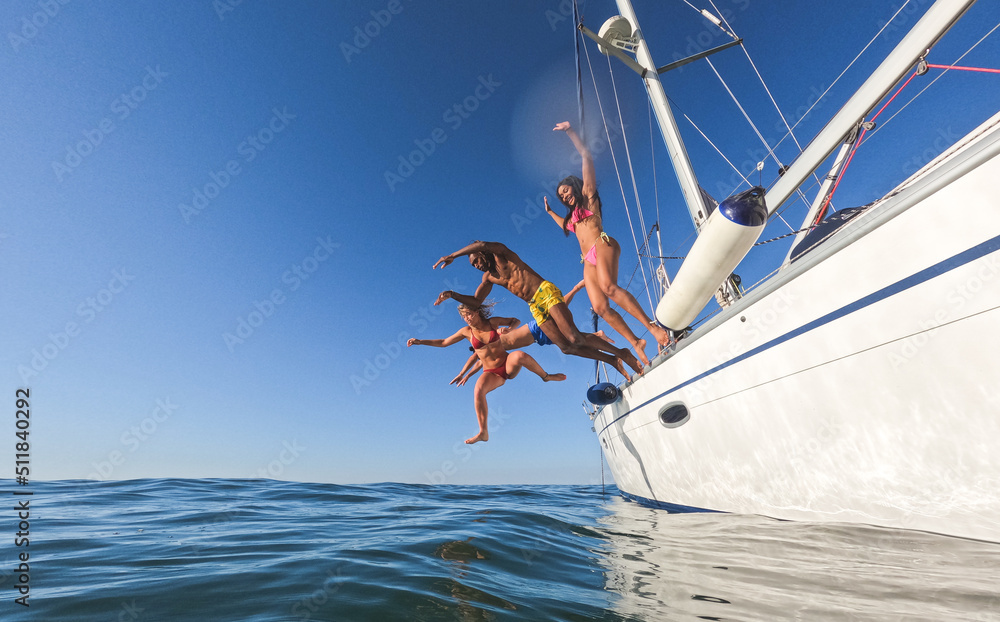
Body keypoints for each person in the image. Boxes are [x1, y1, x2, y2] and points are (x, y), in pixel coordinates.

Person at [547, 120, 672, 366]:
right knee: (600, 308)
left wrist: (571, 131)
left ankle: (652, 326)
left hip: (603, 244)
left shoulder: (589, 197)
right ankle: (637, 342)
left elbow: (586, 156)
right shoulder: (571, 219)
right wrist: (550, 211)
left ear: (574, 187)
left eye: (566, 190)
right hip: (587, 260)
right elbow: (563, 223)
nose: (565, 195)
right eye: (561, 196)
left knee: (609, 287)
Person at [433, 240, 642, 380]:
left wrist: (454, 255)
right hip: (534, 306)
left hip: (544, 292)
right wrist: (452, 294)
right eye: (473, 265)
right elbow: (477, 301)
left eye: (476, 260)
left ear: (481, 253)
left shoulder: (501, 255)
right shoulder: (488, 277)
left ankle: (621, 353)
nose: (477, 265)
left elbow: (481, 243)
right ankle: (613, 359)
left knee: (574, 337)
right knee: (566, 347)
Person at [407, 302, 565, 444]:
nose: (467, 318)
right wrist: (420, 341)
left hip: (507, 364)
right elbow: (443, 342)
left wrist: (509, 329)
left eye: (469, 314)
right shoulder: (466, 332)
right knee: (478, 391)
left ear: (476, 312)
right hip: (492, 373)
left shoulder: (492, 322)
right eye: (463, 316)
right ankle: (483, 432)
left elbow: (514, 320)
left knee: (520, 355)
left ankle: (546, 376)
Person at [451, 280, 614, 386]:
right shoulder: (487, 353)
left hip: (534, 328)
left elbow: (475, 359)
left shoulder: (491, 334)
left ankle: (577, 287)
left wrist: (507, 330)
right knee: (572, 342)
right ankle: (598, 335)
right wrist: (466, 376)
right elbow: (479, 363)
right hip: (539, 339)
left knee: (557, 310)